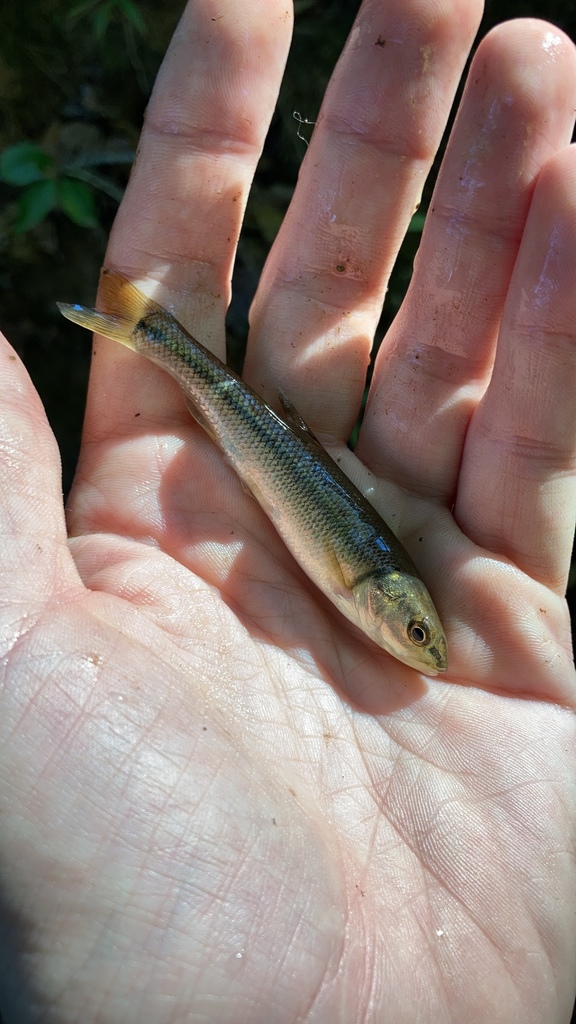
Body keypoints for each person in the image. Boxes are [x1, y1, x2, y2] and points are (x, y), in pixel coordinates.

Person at [1, 0, 576, 1020]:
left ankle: (156, 332)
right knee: (218, 389)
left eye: (411, 631)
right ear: (384, 597)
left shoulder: (381, 585)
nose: (415, 643)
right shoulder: (367, 575)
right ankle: (161, 335)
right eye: (412, 625)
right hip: (247, 425)